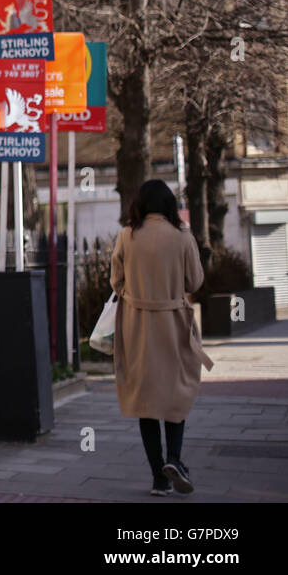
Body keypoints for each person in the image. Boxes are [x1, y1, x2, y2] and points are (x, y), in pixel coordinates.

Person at [111, 179, 213, 496]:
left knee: (145, 402)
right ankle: (175, 459)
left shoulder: (127, 235)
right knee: (175, 394)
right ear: (169, 203)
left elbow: (116, 282)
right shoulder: (181, 236)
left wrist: (136, 293)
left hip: (137, 324)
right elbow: (194, 281)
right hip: (173, 323)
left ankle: (158, 479)